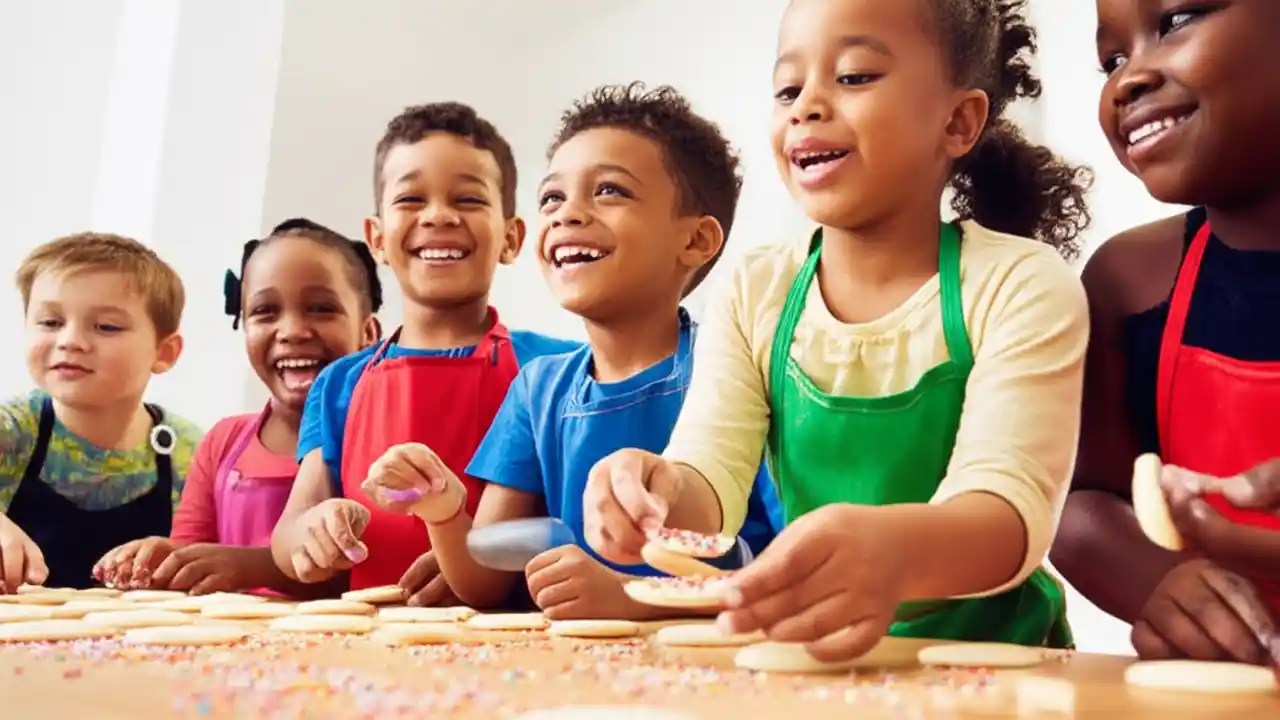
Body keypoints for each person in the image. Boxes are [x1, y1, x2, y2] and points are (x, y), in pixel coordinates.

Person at [580, 0, 1093, 662]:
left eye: (853, 76)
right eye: (788, 87)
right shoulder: (757, 288)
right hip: (819, 661)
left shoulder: (1018, 283)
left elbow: (1008, 513)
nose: (807, 106)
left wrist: (895, 553)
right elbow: (709, 484)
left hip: (1001, 662)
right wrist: (653, 495)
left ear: (959, 120)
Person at [359, 83, 784, 620]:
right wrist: (442, 507)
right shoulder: (538, 390)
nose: (566, 214)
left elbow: (781, 563)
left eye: (610, 191)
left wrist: (630, 601)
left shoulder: (737, 374)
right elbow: (485, 582)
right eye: (552, 198)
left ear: (696, 241)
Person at [1050, 0, 1280, 669]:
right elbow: (1078, 497)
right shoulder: (1130, 282)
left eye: (1176, 23)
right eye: (1111, 59)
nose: (1128, 79)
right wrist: (1156, 581)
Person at [269, 103, 578, 600]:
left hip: (512, 649)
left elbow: (577, 530)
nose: (438, 215)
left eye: (469, 199)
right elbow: (287, 537)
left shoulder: (558, 371)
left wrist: (471, 550)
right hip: (366, 649)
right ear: (377, 239)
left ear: (511, 237)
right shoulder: (338, 384)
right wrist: (315, 531)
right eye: (411, 198)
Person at [92, 219, 382, 595]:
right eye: (265, 311)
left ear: (369, 334)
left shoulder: (380, 445)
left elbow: (381, 570)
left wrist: (251, 568)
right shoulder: (224, 442)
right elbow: (190, 552)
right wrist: (162, 560)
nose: (292, 330)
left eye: (321, 308)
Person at [0, 233, 202, 592]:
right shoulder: (15, 428)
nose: (70, 340)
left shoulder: (191, 453)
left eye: (106, 327)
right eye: (50, 322)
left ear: (165, 352)